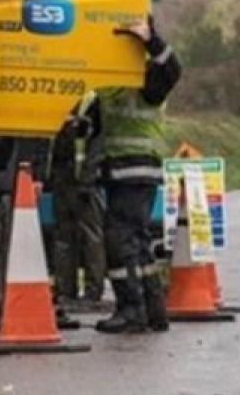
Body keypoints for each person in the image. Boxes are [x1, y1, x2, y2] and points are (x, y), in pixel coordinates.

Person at [74, 17, 182, 334]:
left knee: (120, 241)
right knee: (139, 242)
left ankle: (131, 310)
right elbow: (90, 126)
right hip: (121, 174)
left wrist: (152, 39)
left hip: (135, 172)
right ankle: (153, 309)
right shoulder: (109, 89)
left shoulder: (146, 80)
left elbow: (172, 69)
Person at [48, 94, 107, 310]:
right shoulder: (61, 97)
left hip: (86, 179)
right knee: (64, 235)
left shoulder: (92, 100)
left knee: (90, 235)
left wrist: (90, 176)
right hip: (64, 176)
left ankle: (92, 291)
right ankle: (66, 291)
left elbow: (98, 142)